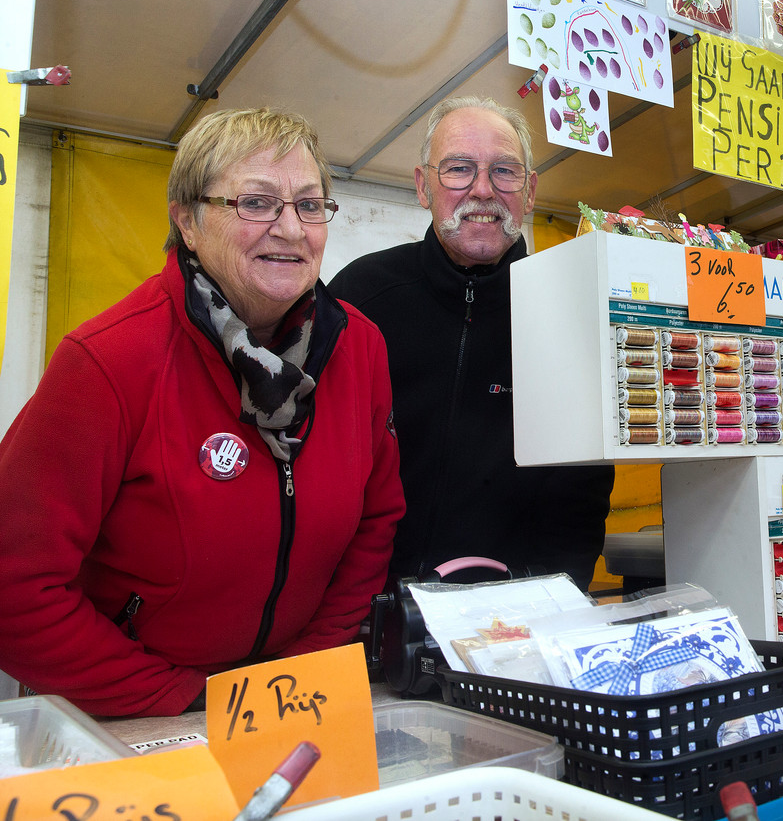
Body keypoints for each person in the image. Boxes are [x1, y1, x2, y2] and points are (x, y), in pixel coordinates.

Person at [0, 108, 404, 717]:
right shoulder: (109, 361)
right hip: (142, 711)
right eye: (255, 203)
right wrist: (186, 702)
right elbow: (14, 586)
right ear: (187, 220)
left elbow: (375, 522)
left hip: (292, 697)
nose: (291, 229)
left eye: (309, 204)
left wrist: (301, 673)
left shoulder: (361, 347)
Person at [330, 96, 612, 590]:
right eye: (459, 169)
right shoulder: (361, 298)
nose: (482, 190)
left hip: (519, 618)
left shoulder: (572, 312)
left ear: (529, 191)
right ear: (423, 186)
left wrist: (552, 601)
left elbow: (583, 494)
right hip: (371, 613)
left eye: (504, 171)